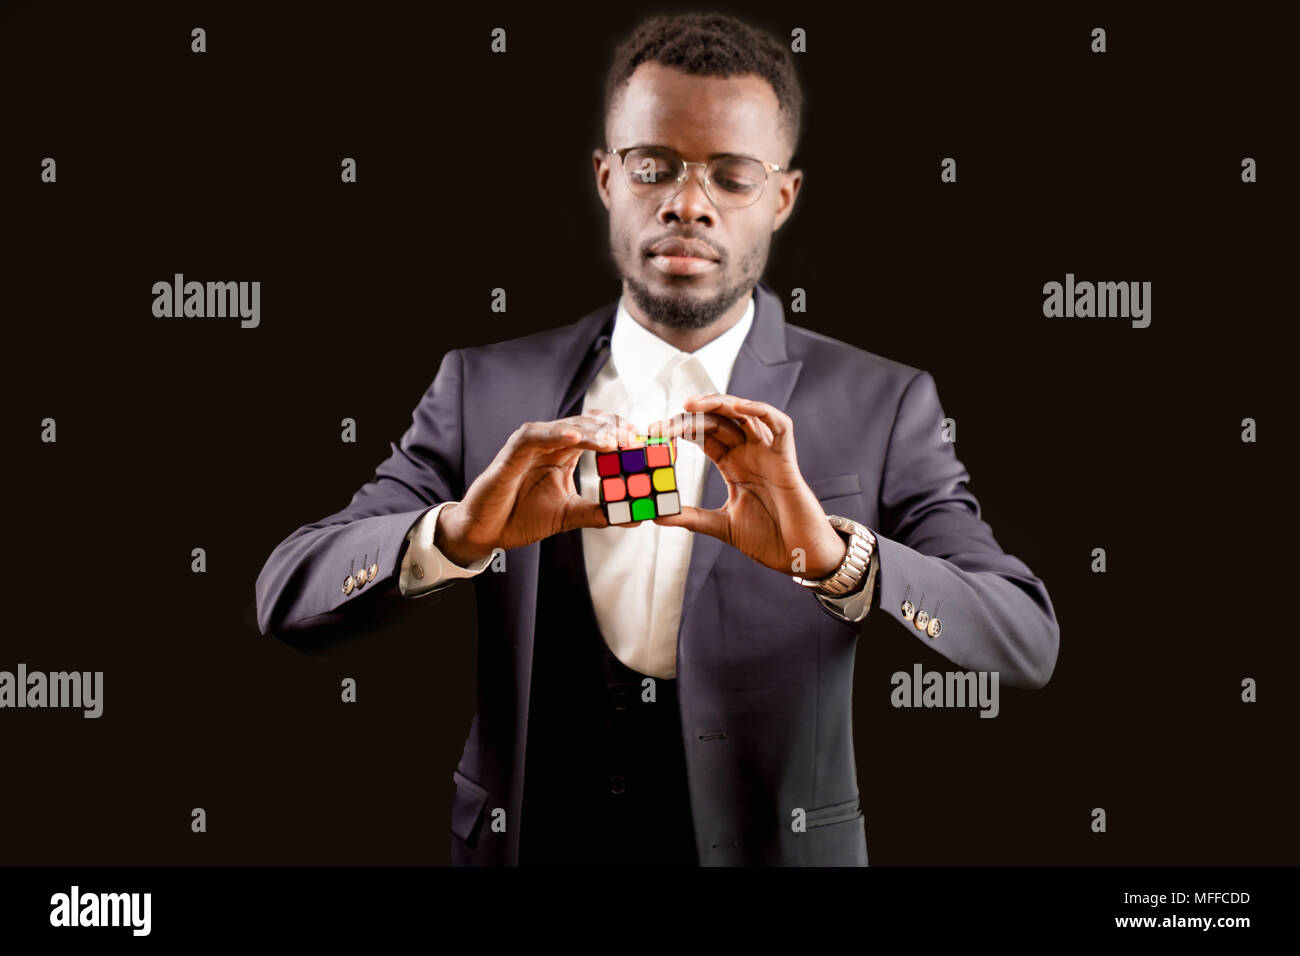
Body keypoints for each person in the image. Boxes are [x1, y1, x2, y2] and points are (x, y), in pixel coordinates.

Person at [254, 12, 1059, 867]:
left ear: (782, 197)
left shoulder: (884, 402)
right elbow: (288, 592)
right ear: (607, 178)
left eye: (732, 178)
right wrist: (455, 536)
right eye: (654, 168)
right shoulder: (483, 387)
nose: (687, 203)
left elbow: (1023, 636)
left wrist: (836, 560)